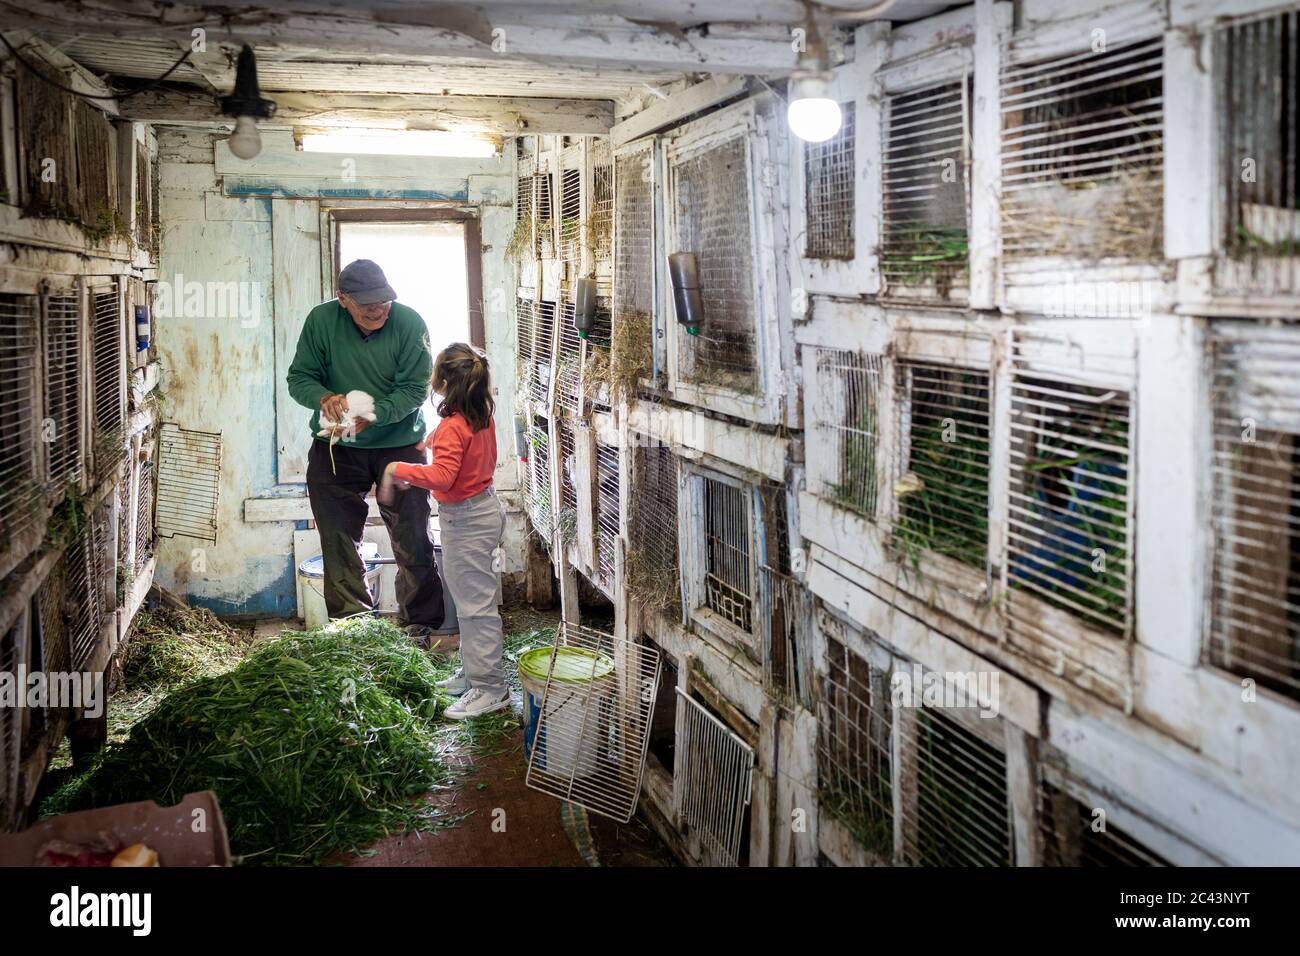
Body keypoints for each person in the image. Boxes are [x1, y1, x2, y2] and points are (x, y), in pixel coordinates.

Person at [286, 259, 445, 640]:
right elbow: (299, 378)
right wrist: (323, 397)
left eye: (384, 301)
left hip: (400, 443)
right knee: (338, 539)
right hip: (337, 445)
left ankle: (420, 626)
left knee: (413, 535)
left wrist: (375, 415)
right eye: (367, 304)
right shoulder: (321, 321)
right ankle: (355, 631)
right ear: (343, 299)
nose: (378, 310)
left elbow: (415, 389)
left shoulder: (409, 323)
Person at [378, 343, 506, 720]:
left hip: (467, 521)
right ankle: (473, 674)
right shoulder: (479, 413)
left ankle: (490, 688)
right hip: (481, 510)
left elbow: (444, 476)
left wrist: (397, 469)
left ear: (445, 383)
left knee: (476, 608)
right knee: (470, 604)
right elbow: (457, 449)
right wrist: (431, 442)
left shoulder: (454, 426)